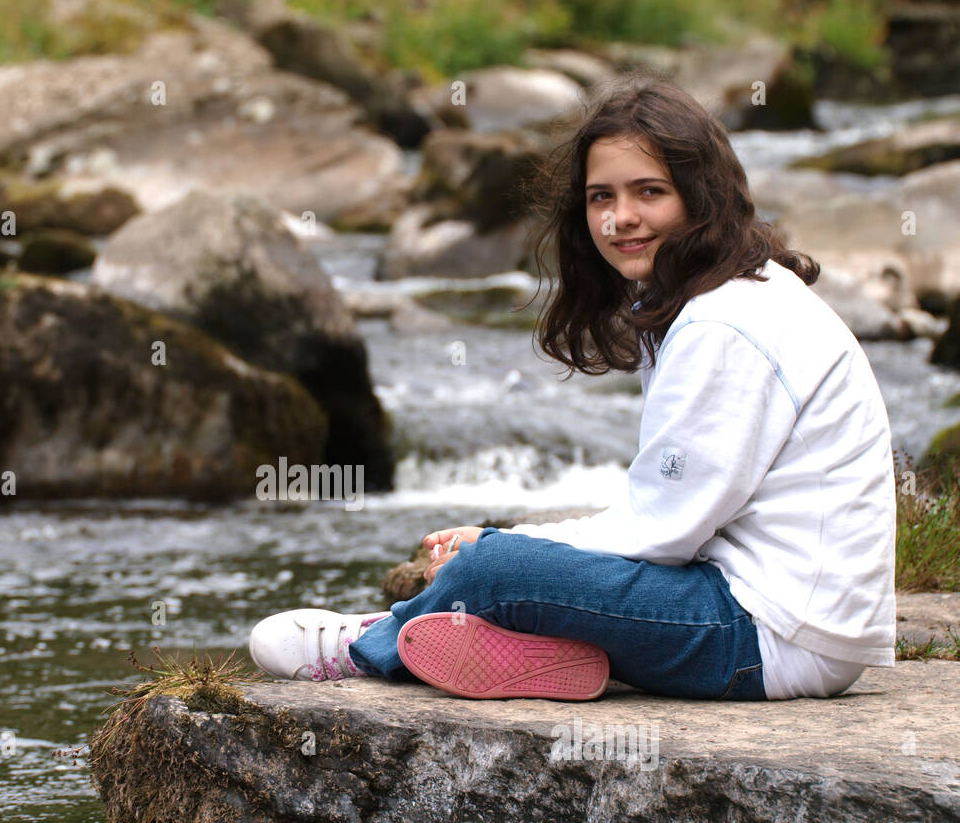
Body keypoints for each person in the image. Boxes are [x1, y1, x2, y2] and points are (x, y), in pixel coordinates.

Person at [248, 77, 897, 701]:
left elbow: (663, 531)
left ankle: (372, 645)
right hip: (777, 619)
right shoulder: (712, 296)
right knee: (509, 559)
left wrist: (503, 546)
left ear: (701, 195)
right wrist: (517, 539)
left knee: (495, 571)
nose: (621, 218)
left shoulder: (723, 322)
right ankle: (494, 643)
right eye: (601, 197)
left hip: (771, 636)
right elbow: (672, 518)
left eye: (649, 192)